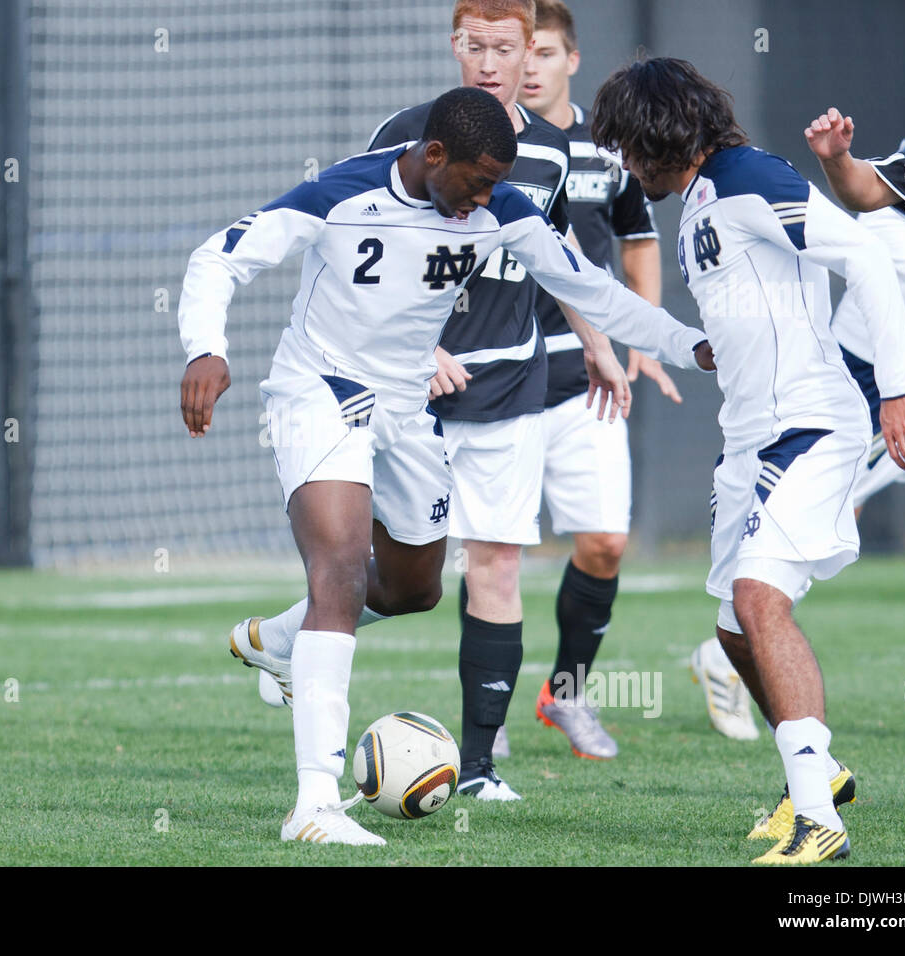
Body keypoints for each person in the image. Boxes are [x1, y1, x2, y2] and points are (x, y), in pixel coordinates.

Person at [180, 86, 711, 846]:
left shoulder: (500, 210)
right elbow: (217, 259)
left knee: (411, 588)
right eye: (478, 179)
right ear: (434, 156)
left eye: (498, 183)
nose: (488, 197)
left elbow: (589, 287)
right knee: (336, 568)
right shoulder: (341, 192)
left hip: (406, 404)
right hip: (320, 388)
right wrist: (207, 347)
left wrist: (686, 344)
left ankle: (282, 641)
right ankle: (314, 805)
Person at [592, 58, 905, 864]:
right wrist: (710, 345)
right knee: (733, 627)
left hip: (810, 425)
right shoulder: (700, 200)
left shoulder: (746, 175)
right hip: (747, 440)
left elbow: (866, 258)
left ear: (663, 130)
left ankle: (819, 822)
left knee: (757, 597)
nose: (630, 166)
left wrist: (898, 390)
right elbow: (756, 303)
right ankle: (821, 773)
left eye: (632, 147)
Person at [365, 0, 574, 797]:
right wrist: (420, 349)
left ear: (533, 52)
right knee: (382, 571)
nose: (490, 63)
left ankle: (481, 767)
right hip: (405, 390)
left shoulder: (551, 154)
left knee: (494, 566)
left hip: (510, 389)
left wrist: (597, 344)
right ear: (455, 45)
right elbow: (355, 258)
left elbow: (550, 264)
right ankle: (291, 646)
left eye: (506, 48)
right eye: (476, 45)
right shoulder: (404, 135)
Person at [510, 0, 685, 760]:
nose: (529, 67)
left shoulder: (607, 148)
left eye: (545, 53)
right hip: (504, 375)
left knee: (606, 543)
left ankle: (566, 693)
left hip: (593, 376)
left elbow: (638, 236)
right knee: (493, 554)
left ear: (571, 60)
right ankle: (483, 721)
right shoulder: (491, 143)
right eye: (521, 53)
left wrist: (644, 333)